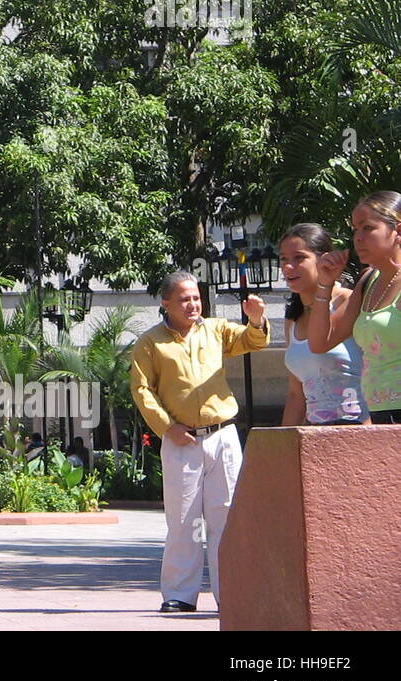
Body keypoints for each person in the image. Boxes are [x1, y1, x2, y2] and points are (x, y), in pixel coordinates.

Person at [130, 270, 268, 613]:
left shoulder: (216, 330)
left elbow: (253, 340)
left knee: (226, 518)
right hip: (181, 441)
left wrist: (256, 319)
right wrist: (167, 427)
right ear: (166, 304)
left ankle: (231, 593)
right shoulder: (151, 343)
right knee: (183, 520)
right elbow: (142, 390)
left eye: (195, 297)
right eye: (184, 299)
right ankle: (179, 593)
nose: (192, 304)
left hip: (223, 437)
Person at [307, 191, 401, 424]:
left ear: (398, 230)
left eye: (368, 228)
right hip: (379, 413)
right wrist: (324, 284)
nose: (358, 238)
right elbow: (320, 343)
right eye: (355, 229)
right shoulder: (367, 281)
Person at [278, 223, 368, 426]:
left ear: (324, 258)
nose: (288, 266)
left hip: (360, 428)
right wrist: (284, 446)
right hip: (317, 436)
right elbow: (296, 394)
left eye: (299, 258)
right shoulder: (292, 319)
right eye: (284, 259)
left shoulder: (348, 301)